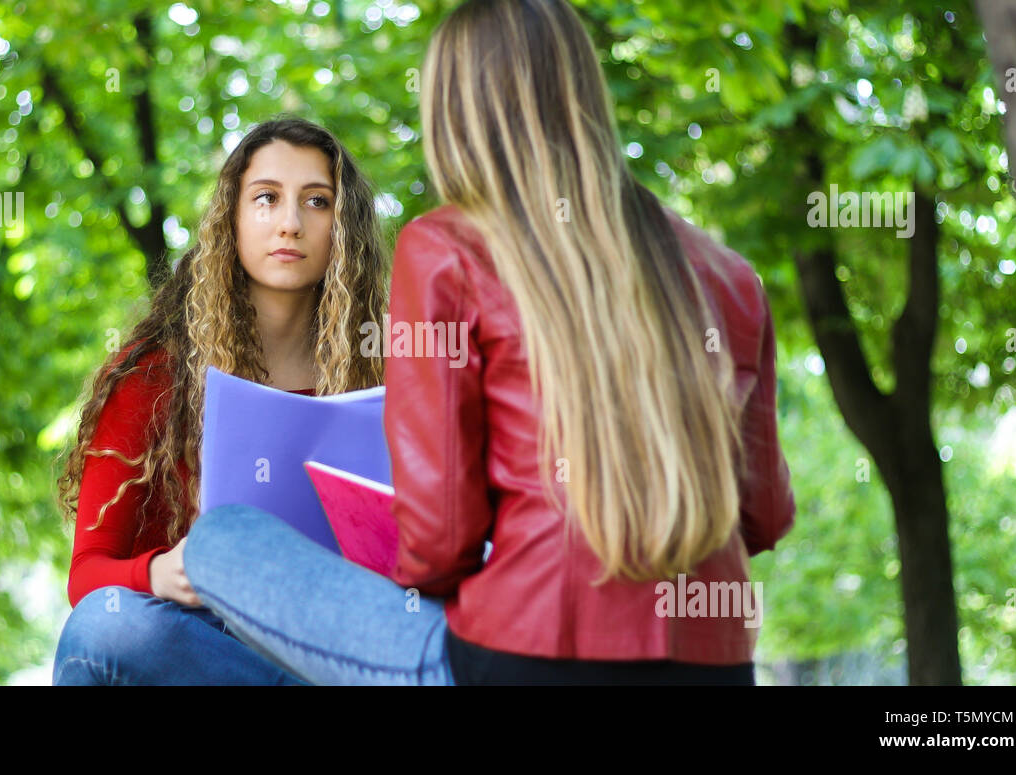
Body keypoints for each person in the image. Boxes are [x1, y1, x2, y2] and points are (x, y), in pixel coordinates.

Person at [182, 0, 797, 686]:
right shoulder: (730, 278)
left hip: (520, 657)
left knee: (223, 537)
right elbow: (764, 516)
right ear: (585, 94)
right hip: (715, 664)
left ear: (455, 113)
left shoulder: (446, 248)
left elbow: (441, 539)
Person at [51, 117, 388, 685]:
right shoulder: (153, 374)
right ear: (231, 218)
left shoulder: (382, 380)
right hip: (202, 648)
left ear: (344, 226)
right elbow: (87, 576)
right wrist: (161, 573)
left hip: (334, 647)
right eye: (266, 199)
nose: (290, 222)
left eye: (317, 201)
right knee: (99, 633)